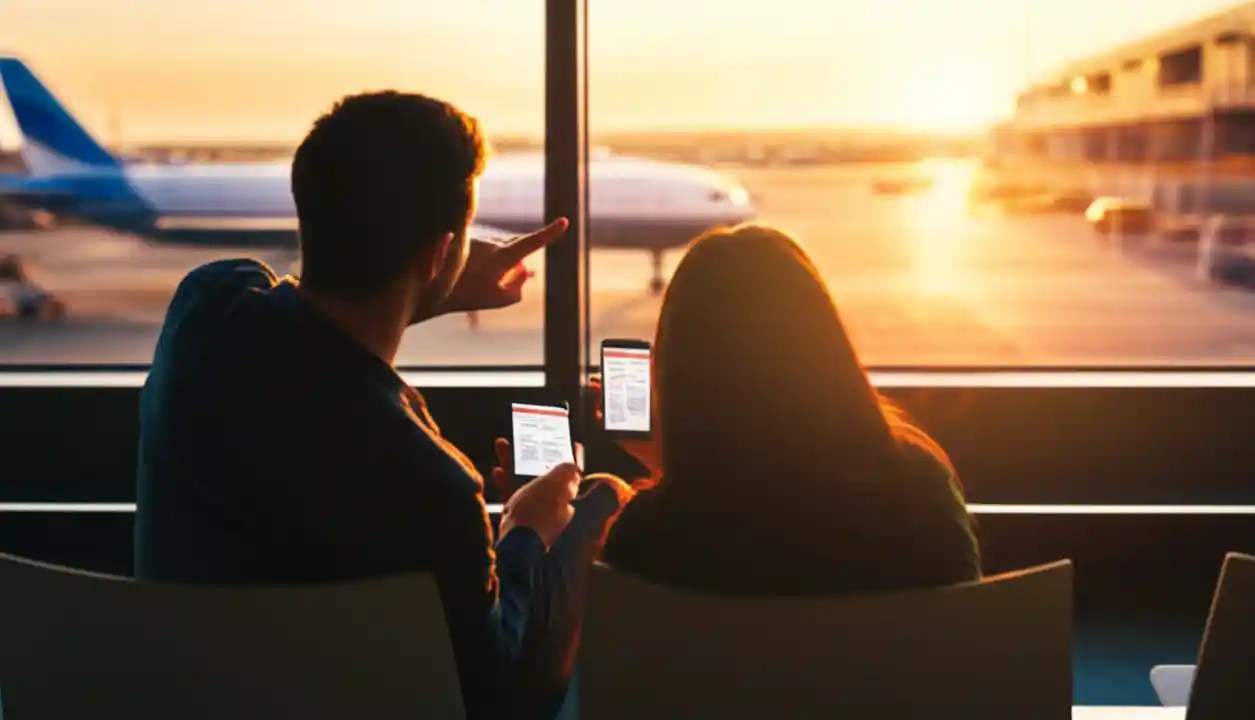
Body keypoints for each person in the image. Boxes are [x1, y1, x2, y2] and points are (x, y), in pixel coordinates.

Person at [135, 91, 631, 719]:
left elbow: (306, 326)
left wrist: (431, 279)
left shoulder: (204, 309)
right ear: (436, 253)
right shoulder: (433, 486)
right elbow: (498, 701)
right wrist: (527, 530)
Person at [593, 223, 979, 595]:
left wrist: (670, 460)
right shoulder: (924, 496)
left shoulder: (649, 538)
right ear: (828, 349)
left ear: (677, 371)